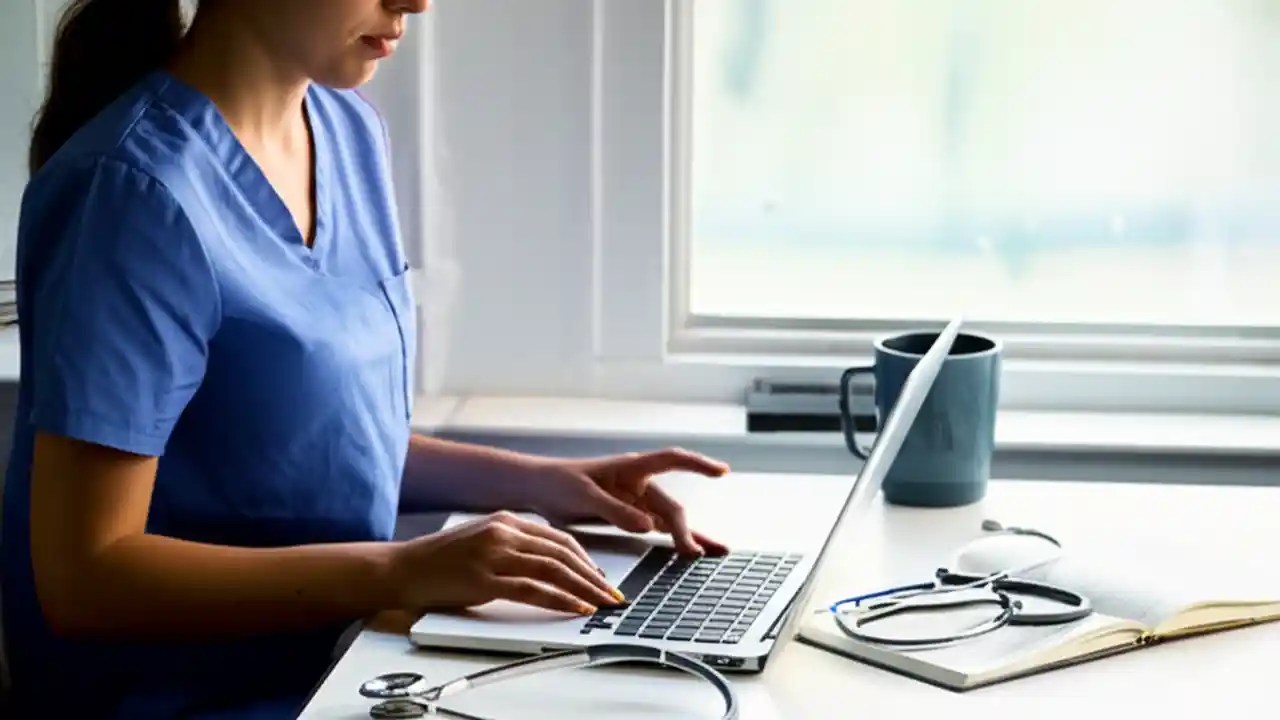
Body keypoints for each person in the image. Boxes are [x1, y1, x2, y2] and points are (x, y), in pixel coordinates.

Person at [0, 1, 731, 717]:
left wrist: (552, 484)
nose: (415, 1)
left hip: (341, 667)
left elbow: (314, 448)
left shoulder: (347, 131)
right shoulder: (129, 196)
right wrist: (405, 569)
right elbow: (86, 578)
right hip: (188, 699)